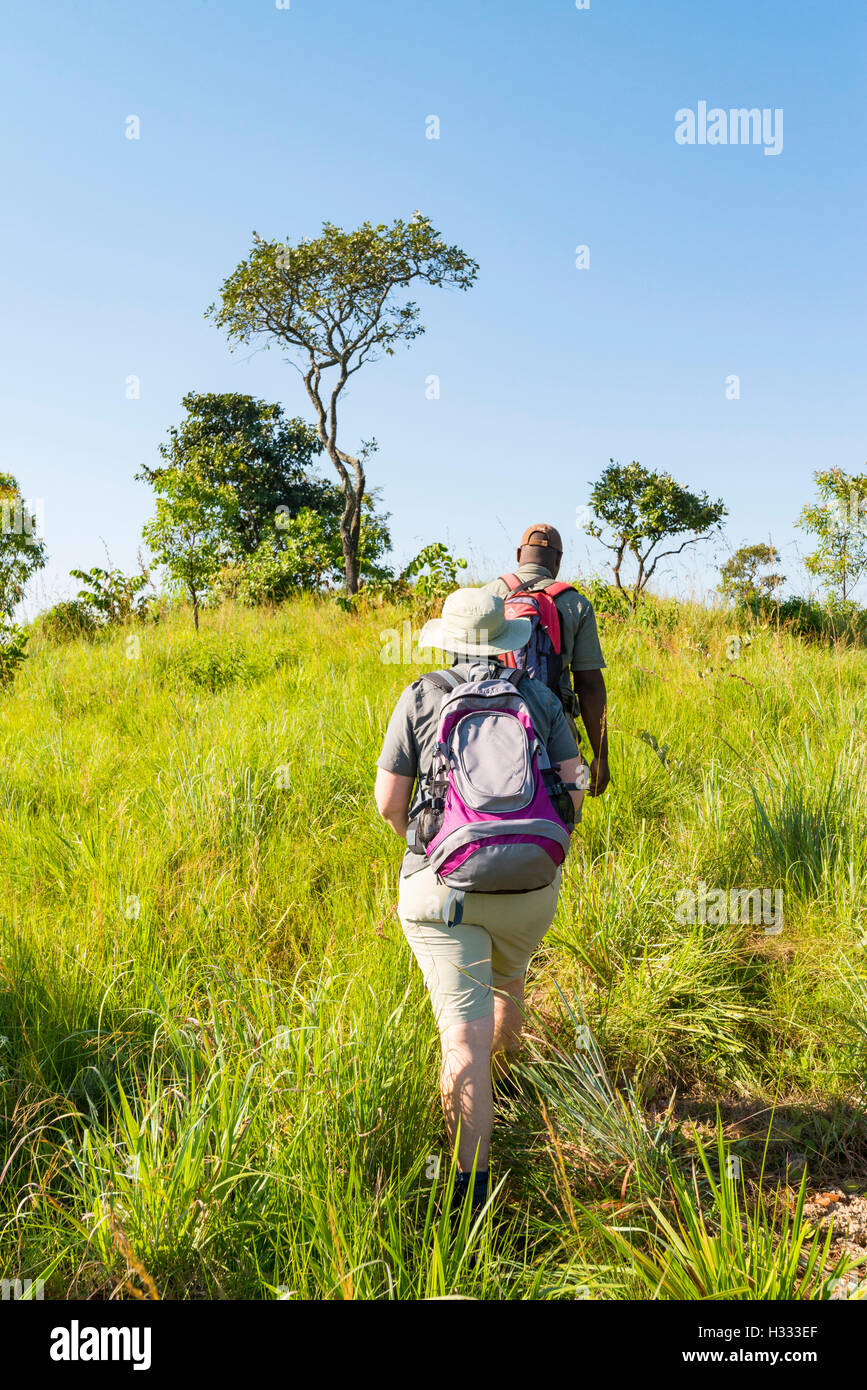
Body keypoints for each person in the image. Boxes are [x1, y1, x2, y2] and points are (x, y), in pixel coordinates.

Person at [374, 588, 585, 1215]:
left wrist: (432, 848)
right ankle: (510, 1089)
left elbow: (389, 802)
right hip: (529, 888)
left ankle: (469, 1201)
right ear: (507, 642)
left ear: (449, 639)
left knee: (461, 1041)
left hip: (446, 894)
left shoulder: (420, 695)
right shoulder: (541, 698)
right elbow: (573, 796)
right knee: (509, 983)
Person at [484, 523, 610, 797]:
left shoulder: (488, 596)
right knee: (561, 813)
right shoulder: (576, 604)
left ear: (519, 555)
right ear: (558, 560)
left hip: (491, 725)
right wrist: (601, 756)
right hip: (556, 730)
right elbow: (589, 685)